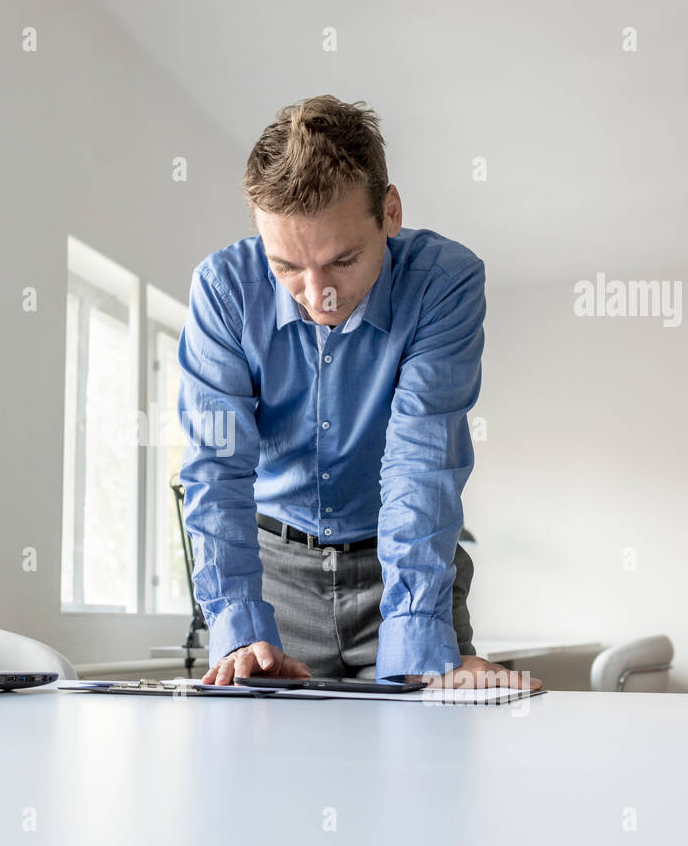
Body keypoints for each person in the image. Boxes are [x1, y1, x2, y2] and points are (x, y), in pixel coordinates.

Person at [177, 94, 539, 691]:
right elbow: (216, 467)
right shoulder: (223, 289)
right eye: (287, 266)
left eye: (341, 261)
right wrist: (238, 626)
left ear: (390, 213)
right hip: (273, 577)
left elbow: (421, 459)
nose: (317, 295)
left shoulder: (444, 282)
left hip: (402, 571)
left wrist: (420, 628)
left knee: (425, 763)